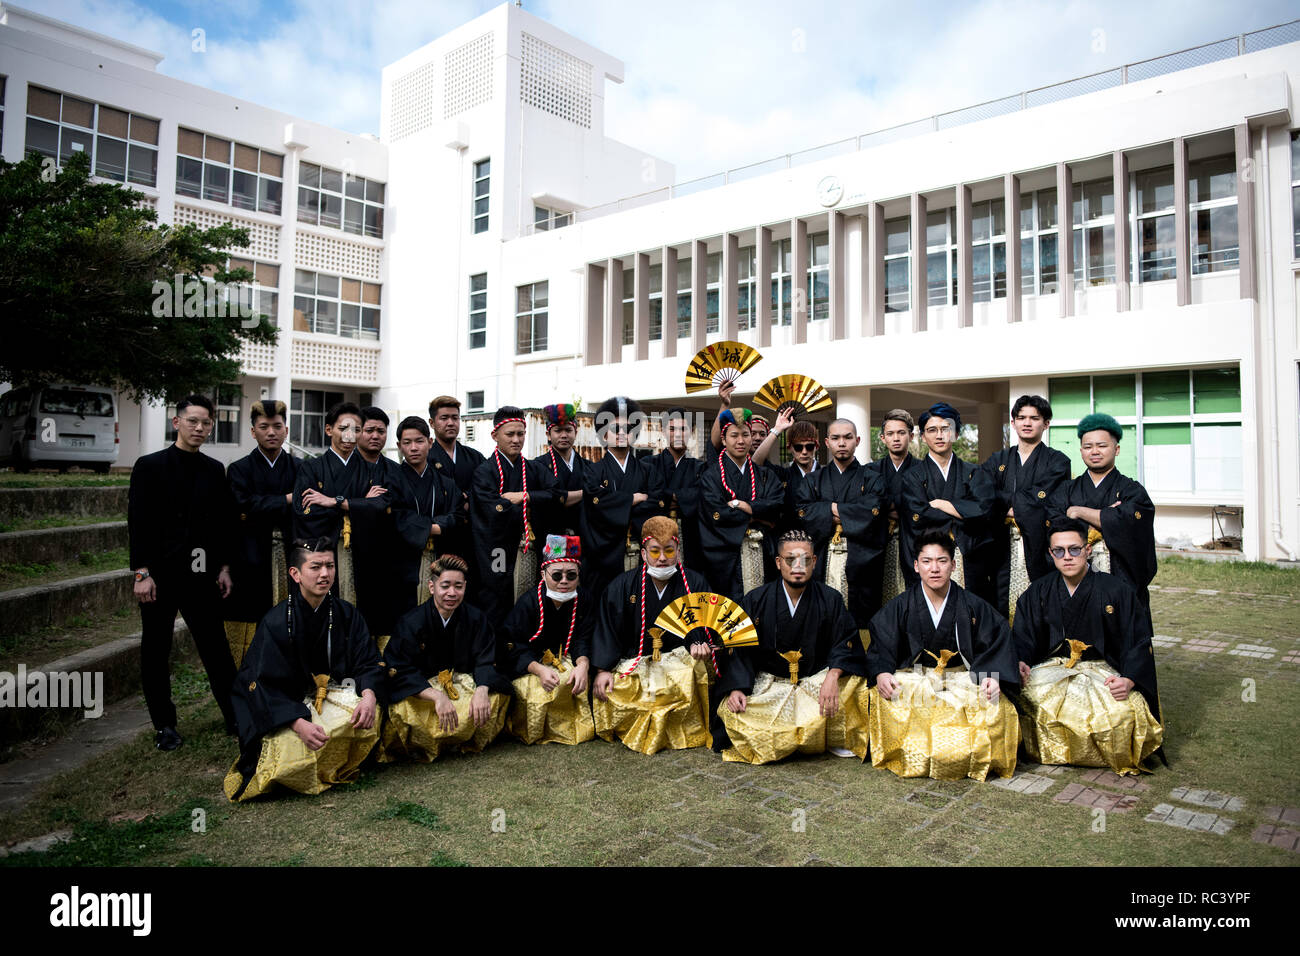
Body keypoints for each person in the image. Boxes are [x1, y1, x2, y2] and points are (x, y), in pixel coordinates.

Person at [223, 538, 382, 801]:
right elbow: (259, 683)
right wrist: (297, 723)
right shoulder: (276, 621)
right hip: (288, 707)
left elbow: (368, 660)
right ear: (295, 573)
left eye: (330, 566)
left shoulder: (346, 614)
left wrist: (369, 696)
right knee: (287, 755)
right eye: (316, 567)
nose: (325, 574)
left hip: (334, 695)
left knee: (366, 715)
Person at [128, 393, 239, 751]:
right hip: (159, 575)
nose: (200, 428)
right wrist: (142, 572)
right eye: (193, 421)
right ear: (176, 422)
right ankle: (165, 726)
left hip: (202, 574)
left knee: (216, 649)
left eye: (206, 422)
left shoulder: (213, 469)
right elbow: (139, 521)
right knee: (156, 651)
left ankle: (235, 715)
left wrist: (223, 567)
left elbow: (220, 524)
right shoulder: (149, 466)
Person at [866, 530, 1021, 781]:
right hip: (918, 678)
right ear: (916, 566)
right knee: (890, 697)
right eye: (926, 561)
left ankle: (963, 756)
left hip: (964, 678)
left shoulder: (973, 605)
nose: (934, 569)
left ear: (954, 565)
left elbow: (996, 641)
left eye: (942, 561)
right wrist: (882, 672)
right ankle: (918, 753)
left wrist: (994, 676)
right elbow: (881, 643)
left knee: (994, 705)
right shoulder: (901, 605)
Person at [1012, 520, 1163, 774]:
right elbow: (1023, 637)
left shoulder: (1117, 591)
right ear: (1051, 554)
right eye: (1059, 551)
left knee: (1122, 712)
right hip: (1054, 669)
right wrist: (1021, 661)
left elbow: (1136, 640)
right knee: (1027, 699)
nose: (1067, 557)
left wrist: (1129, 679)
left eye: (1074, 549)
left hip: (1104, 670)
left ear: (1088, 550)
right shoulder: (1039, 591)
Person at [717, 531, 871, 764]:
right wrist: (737, 687)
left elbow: (846, 640)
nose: (798, 566)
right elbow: (740, 648)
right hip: (771, 685)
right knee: (734, 711)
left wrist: (833, 674)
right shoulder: (756, 599)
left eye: (805, 560)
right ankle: (818, 735)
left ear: (815, 562)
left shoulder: (831, 599)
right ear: (779, 563)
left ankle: (813, 735)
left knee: (856, 687)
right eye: (790, 560)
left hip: (816, 684)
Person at [591, 516, 715, 755]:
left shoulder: (695, 582)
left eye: (669, 550)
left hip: (677, 663)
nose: (662, 558)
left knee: (693, 672)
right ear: (643, 553)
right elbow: (608, 627)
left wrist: (700, 643)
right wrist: (602, 669)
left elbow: (706, 625)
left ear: (678, 551)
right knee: (613, 689)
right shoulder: (622, 586)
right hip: (635, 662)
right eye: (655, 551)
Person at [381, 554, 512, 762]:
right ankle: (429, 746)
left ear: (465, 587)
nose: (452, 593)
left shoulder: (476, 619)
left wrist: (482, 689)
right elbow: (398, 667)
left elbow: (486, 658)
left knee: (493, 697)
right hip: (424, 689)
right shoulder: (411, 622)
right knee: (405, 708)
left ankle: (459, 742)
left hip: (463, 682)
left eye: (458, 586)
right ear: (432, 587)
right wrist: (436, 696)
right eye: (445, 586)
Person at [1047, 412, 1157, 626]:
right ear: (1081, 451)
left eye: (1102, 445)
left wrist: (1078, 512)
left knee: (1123, 637)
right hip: (1075, 580)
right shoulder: (1066, 490)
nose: (1094, 451)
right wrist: (1107, 516)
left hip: (1122, 579)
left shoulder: (1132, 490)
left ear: (1116, 449)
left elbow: (1133, 524)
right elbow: (1055, 524)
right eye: (1088, 447)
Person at [292, 402, 391, 611]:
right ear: (329, 429)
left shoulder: (372, 470)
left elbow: (380, 506)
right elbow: (305, 511)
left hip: (363, 554)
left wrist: (333, 501)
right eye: (343, 428)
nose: (349, 436)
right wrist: (360, 503)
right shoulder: (311, 468)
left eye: (356, 429)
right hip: (323, 553)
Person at [470, 406, 563, 631]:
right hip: (497, 549)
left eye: (520, 434)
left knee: (532, 594)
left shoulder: (534, 469)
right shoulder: (484, 472)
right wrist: (529, 506)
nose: (516, 440)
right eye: (509, 434)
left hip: (531, 545)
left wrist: (524, 496)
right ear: (495, 436)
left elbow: (557, 495)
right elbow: (489, 508)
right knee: (497, 592)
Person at [980, 395, 1071, 619]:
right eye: (1021, 418)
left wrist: (1005, 506)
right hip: (1000, 544)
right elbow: (982, 492)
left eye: (1034, 418)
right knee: (998, 598)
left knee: (1039, 601)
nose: (1027, 423)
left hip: (1038, 543)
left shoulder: (1058, 461)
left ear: (1046, 424)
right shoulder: (998, 459)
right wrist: (1014, 506)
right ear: (1013, 422)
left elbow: (1048, 499)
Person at [795, 417, 889, 630]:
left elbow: (873, 512)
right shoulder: (813, 479)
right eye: (836, 438)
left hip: (861, 560)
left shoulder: (872, 478)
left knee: (861, 619)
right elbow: (803, 512)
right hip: (823, 556)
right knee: (823, 614)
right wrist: (850, 511)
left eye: (848, 437)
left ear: (857, 440)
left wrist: (828, 508)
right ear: (827, 443)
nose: (842, 443)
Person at [501, 535, 596, 745]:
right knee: (536, 691)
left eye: (571, 575)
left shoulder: (585, 599)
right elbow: (511, 644)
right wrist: (539, 669)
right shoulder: (528, 603)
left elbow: (584, 636)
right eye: (557, 575)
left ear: (579, 576)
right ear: (543, 574)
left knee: (575, 678)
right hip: (532, 664)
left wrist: (583, 664)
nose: (564, 581)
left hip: (567, 658)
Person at [225, 398, 298, 668]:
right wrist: (287, 500)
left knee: (290, 617)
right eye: (264, 426)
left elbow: (304, 508)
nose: (271, 432)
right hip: (251, 556)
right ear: (252, 431)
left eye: (277, 426)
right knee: (251, 618)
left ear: (286, 431)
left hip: (291, 553)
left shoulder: (300, 468)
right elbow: (244, 505)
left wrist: (265, 505)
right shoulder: (239, 469)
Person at [899, 402, 995, 600]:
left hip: (969, 557)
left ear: (956, 434)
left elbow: (984, 511)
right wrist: (963, 513)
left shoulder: (974, 472)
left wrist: (943, 504)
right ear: (923, 437)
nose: (939, 435)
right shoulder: (912, 476)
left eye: (946, 429)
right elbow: (918, 516)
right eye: (932, 430)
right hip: (931, 557)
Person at [582, 396, 665, 600]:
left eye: (627, 429)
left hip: (641, 551)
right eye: (615, 428)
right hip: (604, 555)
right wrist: (631, 499)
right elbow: (595, 507)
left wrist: (616, 503)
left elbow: (655, 505)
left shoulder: (648, 470)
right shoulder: (593, 471)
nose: (621, 433)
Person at [698, 408, 784, 598]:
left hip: (763, 554)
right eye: (734, 435)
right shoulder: (711, 476)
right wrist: (758, 516)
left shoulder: (764, 474)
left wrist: (745, 506)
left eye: (746, 434)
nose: (741, 441)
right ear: (723, 439)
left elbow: (777, 505)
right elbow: (716, 516)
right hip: (727, 559)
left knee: (763, 607)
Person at [389, 416, 461, 617]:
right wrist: (432, 528)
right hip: (403, 562)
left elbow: (458, 514)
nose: (414, 448)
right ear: (399, 446)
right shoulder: (391, 479)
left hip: (440, 556)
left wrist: (439, 527)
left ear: (430, 443)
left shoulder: (446, 482)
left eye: (419, 441)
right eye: (407, 442)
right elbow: (395, 516)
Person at [351, 405, 405, 639]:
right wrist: (364, 501)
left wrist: (360, 502)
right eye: (369, 430)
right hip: (351, 548)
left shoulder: (394, 469)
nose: (375, 436)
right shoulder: (345, 467)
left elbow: (391, 502)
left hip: (387, 550)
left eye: (381, 431)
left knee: (386, 611)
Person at [427, 395, 485, 602]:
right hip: (440, 538)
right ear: (432, 423)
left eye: (455, 417)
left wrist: (469, 497)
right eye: (444, 418)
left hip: (471, 537)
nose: (450, 423)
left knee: (472, 592)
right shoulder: (426, 459)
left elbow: (486, 490)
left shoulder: (474, 457)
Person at [870, 409, 920, 606]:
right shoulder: (871, 470)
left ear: (911, 435)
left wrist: (889, 503)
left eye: (901, 433)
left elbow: (922, 506)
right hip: (880, 541)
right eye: (890, 434)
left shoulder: (922, 469)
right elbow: (868, 504)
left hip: (913, 540)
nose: (896, 438)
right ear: (883, 438)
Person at [646, 406, 706, 568]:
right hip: (656, 537)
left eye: (683, 429)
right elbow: (648, 499)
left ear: (692, 431)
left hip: (691, 539)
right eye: (672, 429)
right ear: (663, 431)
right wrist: (684, 497)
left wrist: (664, 495)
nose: (678, 434)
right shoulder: (648, 464)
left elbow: (703, 498)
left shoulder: (700, 468)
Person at [531, 403, 585, 541]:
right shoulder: (538, 465)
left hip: (582, 536)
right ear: (548, 435)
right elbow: (543, 499)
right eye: (558, 431)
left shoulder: (588, 467)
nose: (564, 435)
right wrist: (586, 493)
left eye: (568, 430)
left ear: (576, 433)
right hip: (549, 536)